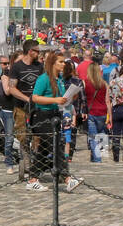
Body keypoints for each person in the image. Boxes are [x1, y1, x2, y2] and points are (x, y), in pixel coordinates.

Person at [25, 51, 82, 193]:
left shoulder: (60, 79)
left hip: (54, 116)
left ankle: (32, 179)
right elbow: (35, 97)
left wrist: (70, 97)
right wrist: (55, 100)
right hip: (42, 116)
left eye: (64, 62)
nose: (63, 64)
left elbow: (60, 98)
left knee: (44, 150)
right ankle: (67, 178)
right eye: (60, 62)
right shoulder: (44, 78)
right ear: (52, 63)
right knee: (56, 146)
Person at [8, 40, 45, 173]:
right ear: (30, 51)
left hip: (37, 107)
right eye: (37, 51)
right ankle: (26, 159)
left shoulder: (40, 66)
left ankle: (37, 159)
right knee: (22, 134)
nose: (39, 53)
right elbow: (12, 88)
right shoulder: (16, 67)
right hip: (21, 107)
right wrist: (27, 99)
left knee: (38, 134)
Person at [82, 59, 109, 163]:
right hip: (102, 112)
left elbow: (83, 99)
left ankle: (98, 159)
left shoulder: (85, 83)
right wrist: (110, 116)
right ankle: (97, 157)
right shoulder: (104, 84)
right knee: (101, 135)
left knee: (93, 137)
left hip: (91, 112)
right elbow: (107, 101)